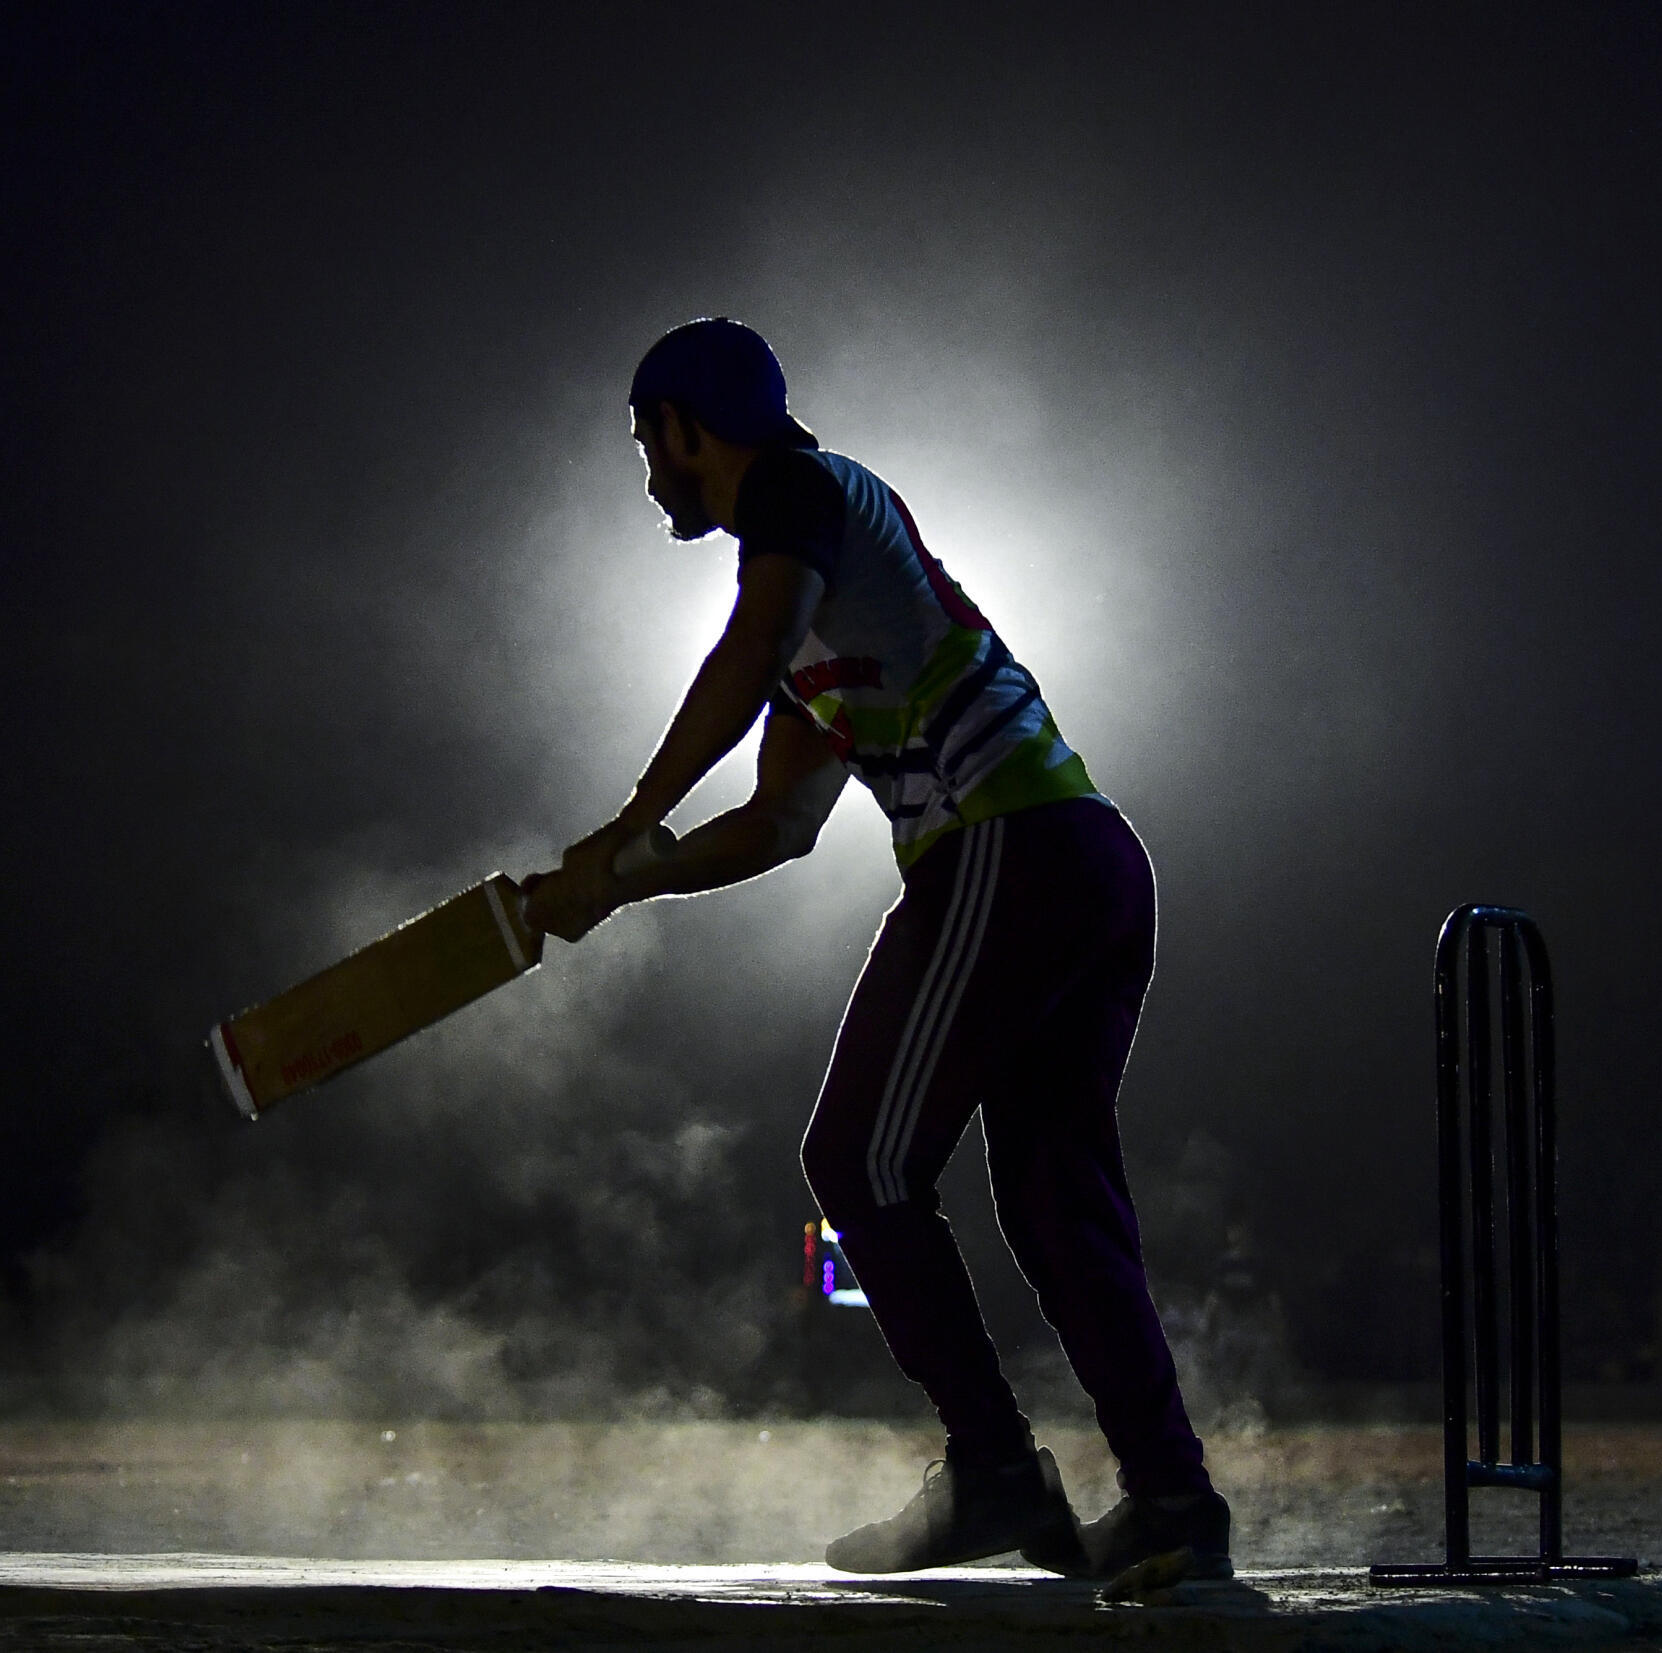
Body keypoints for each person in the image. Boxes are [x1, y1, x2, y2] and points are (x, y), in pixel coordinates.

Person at [520, 318, 1232, 1579]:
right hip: (1084, 866)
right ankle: (1176, 1511)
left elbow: (741, 655)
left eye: (648, 442)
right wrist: (624, 886)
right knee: (1053, 1201)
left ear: (689, 425)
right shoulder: (809, 626)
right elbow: (778, 827)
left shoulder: (796, 495)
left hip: (1007, 852)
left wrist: (628, 821)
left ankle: (995, 1468)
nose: (646, 475)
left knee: (858, 1155)